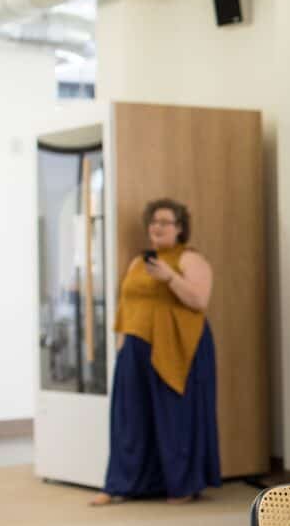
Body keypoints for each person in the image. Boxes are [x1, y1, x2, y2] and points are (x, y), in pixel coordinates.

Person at [91, 198, 221, 505]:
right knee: (130, 418)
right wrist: (122, 346)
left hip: (177, 347)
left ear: (179, 228)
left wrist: (170, 277)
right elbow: (128, 304)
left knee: (175, 417)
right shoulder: (138, 262)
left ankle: (182, 486)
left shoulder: (189, 259)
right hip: (135, 347)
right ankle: (122, 485)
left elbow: (199, 301)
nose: (157, 227)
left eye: (165, 222)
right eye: (153, 222)